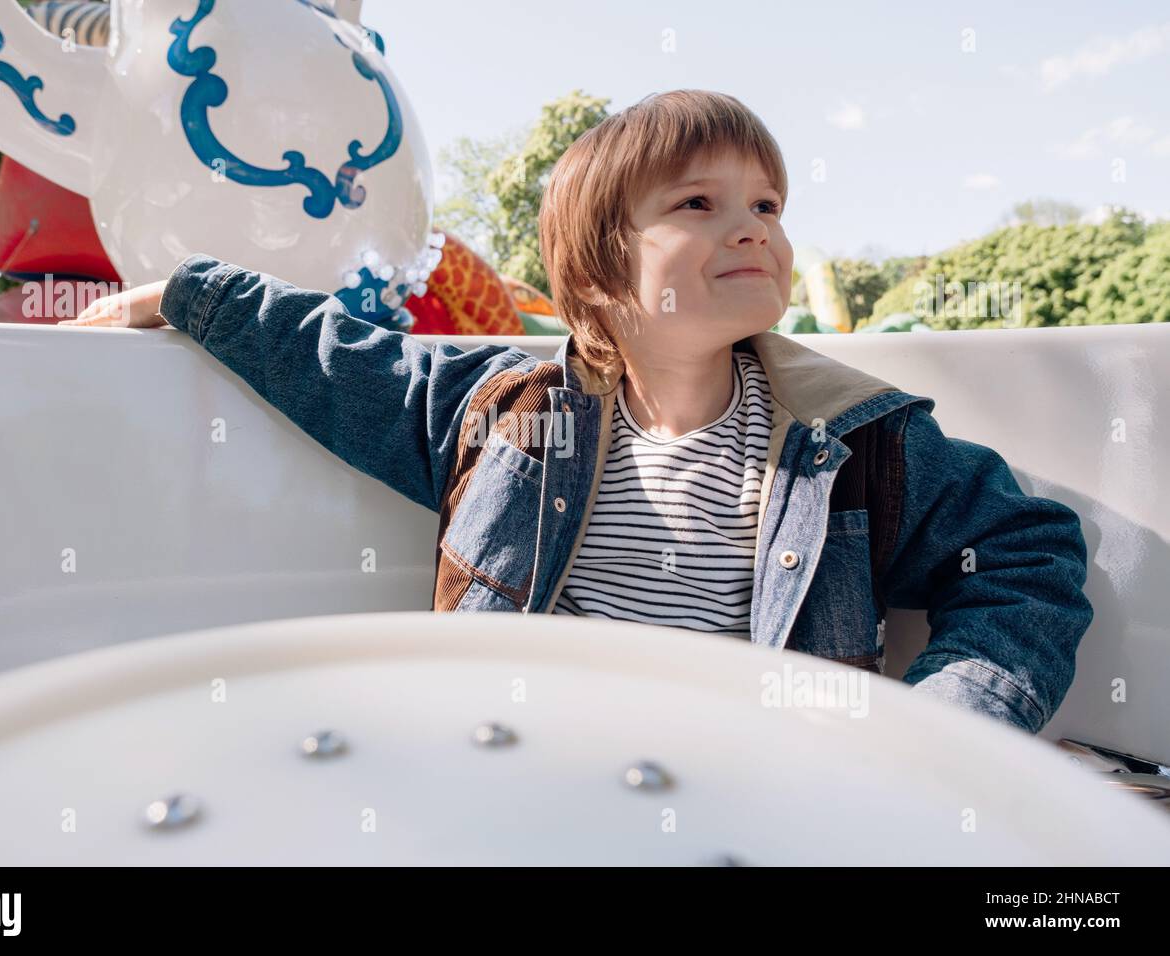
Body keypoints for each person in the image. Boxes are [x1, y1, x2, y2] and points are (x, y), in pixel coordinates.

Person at [59, 89, 1093, 735]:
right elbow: (339, 362)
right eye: (700, 204)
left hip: (760, 785)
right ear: (599, 271)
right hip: (523, 763)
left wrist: (943, 730)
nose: (754, 229)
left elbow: (1022, 554)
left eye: (767, 206)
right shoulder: (501, 412)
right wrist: (182, 294)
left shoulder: (853, 439)